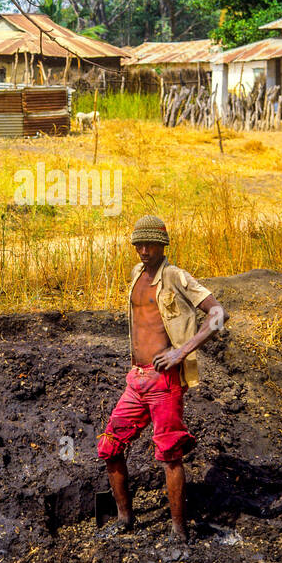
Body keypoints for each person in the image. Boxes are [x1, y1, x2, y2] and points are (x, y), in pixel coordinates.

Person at [96, 214, 226, 544]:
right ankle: (125, 519)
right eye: (138, 244)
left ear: (162, 244)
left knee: (170, 454)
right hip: (136, 380)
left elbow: (218, 315)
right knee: (110, 446)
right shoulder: (137, 275)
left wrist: (180, 352)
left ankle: (180, 533)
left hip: (164, 381)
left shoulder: (175, 276)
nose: (143, 250)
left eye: (149, 244)